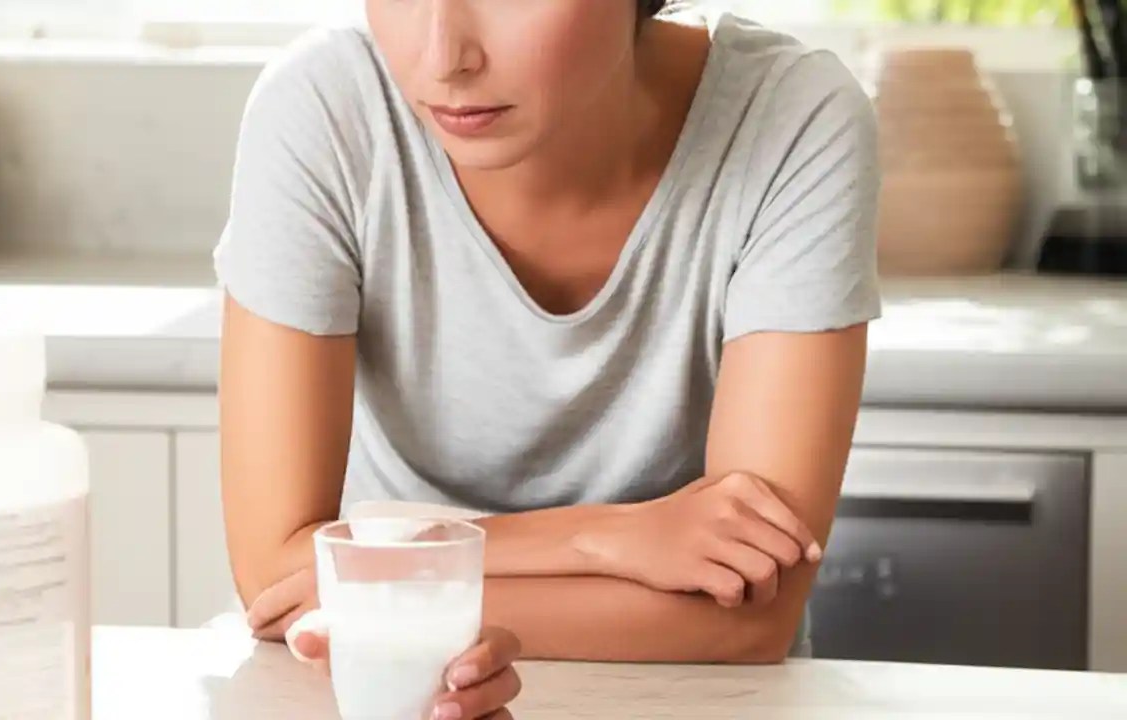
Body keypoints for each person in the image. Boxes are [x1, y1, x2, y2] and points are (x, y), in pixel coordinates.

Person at [215, 0, 880, 716]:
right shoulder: (326, 109)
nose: (444, 58)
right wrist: (605, 538)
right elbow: (276, 571)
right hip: (394, 698)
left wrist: (385, 600)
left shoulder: (790, 118)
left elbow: (750, 619)